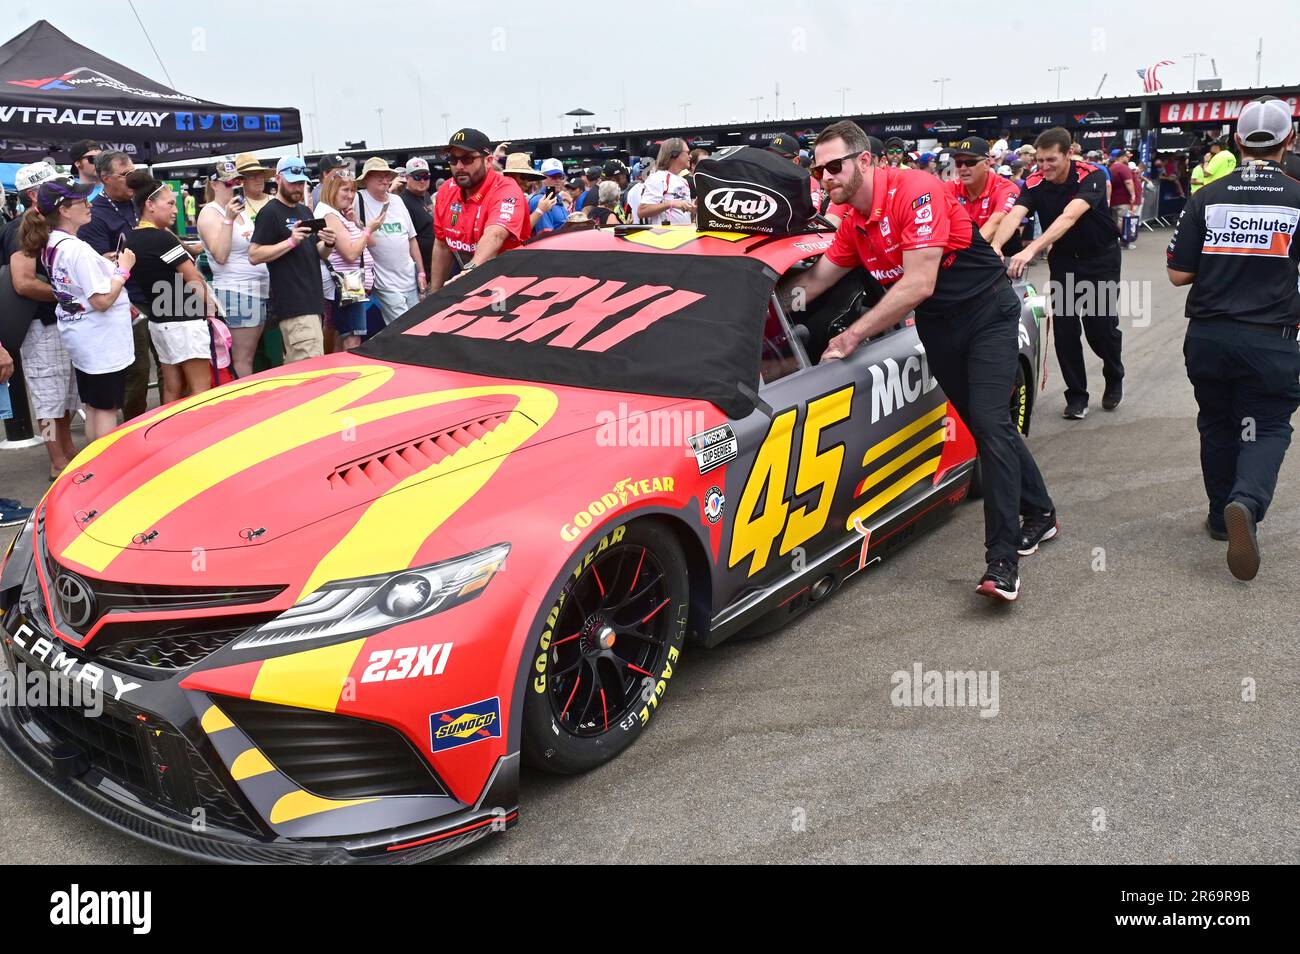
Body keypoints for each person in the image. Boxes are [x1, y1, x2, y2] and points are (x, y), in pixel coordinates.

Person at [779, 121, 1055, 602]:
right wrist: (761, 303)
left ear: (864, 161)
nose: (825, 178)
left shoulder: (916, 190)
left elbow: (917, 283)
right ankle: (1043, 513)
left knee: (990, 425)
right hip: (939, 326)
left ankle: (1003, 561)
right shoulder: (853, 223)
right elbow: (816, 281)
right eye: (818, 169)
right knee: (987, 426)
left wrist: (851, 335)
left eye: (834, 166)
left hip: (988, 314)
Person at [1166, 96, 1300, 582]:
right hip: (1271, 340)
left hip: (1208, 338)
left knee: (1218, 424)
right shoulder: (1298, 196)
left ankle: (1222, 515)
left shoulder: (1205, 196)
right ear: (1289, 141)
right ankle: (1245, 501)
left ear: (1238, 141)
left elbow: (1178, 274)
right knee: (1264, 427)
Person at [992, 126, 1124, 419]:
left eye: (1051, 160)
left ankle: (1114, 373)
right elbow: (1014, 214)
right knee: (1065, 330)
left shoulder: (1091, 175)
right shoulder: (1035, 181)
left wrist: (1031, 249)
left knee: (1100, 328)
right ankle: (1077, 395)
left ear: (1069, 154)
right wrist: (997, 246)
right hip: (1064, 261)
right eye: (1040, 160)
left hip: (1100, 259)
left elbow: (1069, 216)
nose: (1044, 166)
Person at [22, 177, 135, 442]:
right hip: (100, 341)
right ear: (63, 210)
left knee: (95, 407)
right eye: (82, 202)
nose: (89, 205)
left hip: (83, 337)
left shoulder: (53, 243)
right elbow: (101, 301)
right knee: (105, 409)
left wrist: (103, 266)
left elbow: (79, 285)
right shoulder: (77, 249)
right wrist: (123, 270)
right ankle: (106, 467)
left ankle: (94, 466)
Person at [1, 162, 78, 479]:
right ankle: (57, 460)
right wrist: (69, 296)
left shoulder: (43, 223)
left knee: (66, 396)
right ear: (34, 193)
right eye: (54, 186)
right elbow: (23, 282)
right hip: (39, 325)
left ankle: (66, 449)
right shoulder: (22, 229)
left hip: (57, 322)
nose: (63, 191)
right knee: (48, 399)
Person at [123, 171, 219, 405]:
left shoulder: (131, 238)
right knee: (201, 389)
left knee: (172, 388)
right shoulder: (161, 239)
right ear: (150, 205)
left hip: (160, 321)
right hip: (185, 320)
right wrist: (213, 310)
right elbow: (193, 277)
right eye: (169, 204)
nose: (175, 210)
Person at [248, 157, 337, 362]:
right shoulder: (270, 212)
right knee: (311, 376)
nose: (298, 187)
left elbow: (318, 254)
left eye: (301, 182)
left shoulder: (304, 210)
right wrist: (290, 242)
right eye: (292, 182)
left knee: (304, 375)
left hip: (313, 303)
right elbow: (254, 255)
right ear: (278, 179)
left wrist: (329, 243)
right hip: (294, 306)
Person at [429, 128, 530, 292]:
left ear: (488, 161)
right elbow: (442, 245)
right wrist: (434, 294)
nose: (459, 166)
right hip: (470, 283)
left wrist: (469, 271)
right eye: (453, 159)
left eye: (468, 159)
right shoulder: (447, 190)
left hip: (510, 286)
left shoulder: (507, 189)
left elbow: (495, 235)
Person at [198, 158, 268, 379]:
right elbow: (220, 255)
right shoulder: (211, 213)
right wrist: (228, 219)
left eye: (237, 180)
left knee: (251, 355)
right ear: (214, 184)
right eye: (228, 182)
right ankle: (244, 405)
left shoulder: (241, 209)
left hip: (256, 289)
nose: (235, 185)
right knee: (242, 358)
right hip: (237, 290)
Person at [316, 174, 381, 351]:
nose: (351, 195)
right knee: (353, 338)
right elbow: (351, 253)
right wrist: (368, 230)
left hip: (350, 280)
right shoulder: (330, 214)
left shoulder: (338, 213)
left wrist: (356, 222)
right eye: (345, 190)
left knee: (346, 334)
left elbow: (373, 243)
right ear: (331, 190)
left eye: (353, 190)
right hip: (347, 279)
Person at [353, 157, 423, 321]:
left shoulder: (397, 201)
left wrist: (421, 272)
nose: (385, 180)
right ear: (367, 178)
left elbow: (411, 239)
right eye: (379, 175)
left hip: (409, 278)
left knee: (417, 324)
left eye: (387, 175)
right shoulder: (357, 199)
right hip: (384, 281)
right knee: (402, 327)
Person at [945, 137, 1021, 247]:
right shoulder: (949, 188)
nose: (963, 168)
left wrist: (967, 253)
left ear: (986, 164)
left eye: (970, 162)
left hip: (995, 252)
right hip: (960, 252)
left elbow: (996, 222)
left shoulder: (1006, 188)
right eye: (959, 163)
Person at [638, 138, 693, 225]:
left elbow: (684, 214)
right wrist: (670, 204)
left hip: (684, 235)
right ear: (675, 154)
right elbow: (642, 211)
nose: (690, 156)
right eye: (687, 153)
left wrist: (694, 207)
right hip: (664, 236)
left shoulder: (683, 181)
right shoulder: (657, 178)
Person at [401, 156, 436, 272]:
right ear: (407, 178)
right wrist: (420, 272)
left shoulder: (425, 195)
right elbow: (407, 241)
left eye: (426, 177)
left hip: (436, 263)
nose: (422, 181)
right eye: (417, 177)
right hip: (422, 269)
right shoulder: (402, 202)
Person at [1107, 149, 1139, 249]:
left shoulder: (1111, 167)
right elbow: (1128, 182)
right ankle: (1123, 242)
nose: (1127, 158)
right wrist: (1133, 194)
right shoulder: (1122, 167)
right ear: (1121, 157)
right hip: (1122, 200)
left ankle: (1114, 241)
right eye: (1126, 156)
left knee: (1116, 220)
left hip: (1115, 200)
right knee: (1123, 221)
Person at [530, 158, 570, 235]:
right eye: (554, 176)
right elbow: (545, 236)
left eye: (560, 176)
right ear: (543, 178)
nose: (558, 180)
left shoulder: (558, 198)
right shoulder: (541, 200)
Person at [235, 153, 274, 219]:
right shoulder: (236, 206)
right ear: (241, 180)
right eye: (252, 176)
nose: (258, 179)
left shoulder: (275, 201)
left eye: (260, 175)